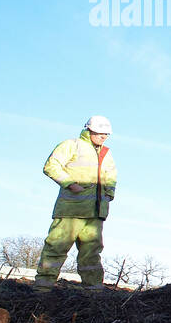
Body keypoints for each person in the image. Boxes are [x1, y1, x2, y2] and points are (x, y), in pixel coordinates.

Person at [34, 116, 117, 289]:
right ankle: (42, 288)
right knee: (56, 247)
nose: (103, 137)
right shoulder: (72, 145)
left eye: (106, 134)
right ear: (89, 130)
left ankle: (93, 289)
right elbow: (51, 166)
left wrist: (109, 195)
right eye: (100, 133)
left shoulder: (106, 154)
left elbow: (111, 178)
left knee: (92, 254)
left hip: (95, 213)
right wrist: (70, 184)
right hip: (71, 210)